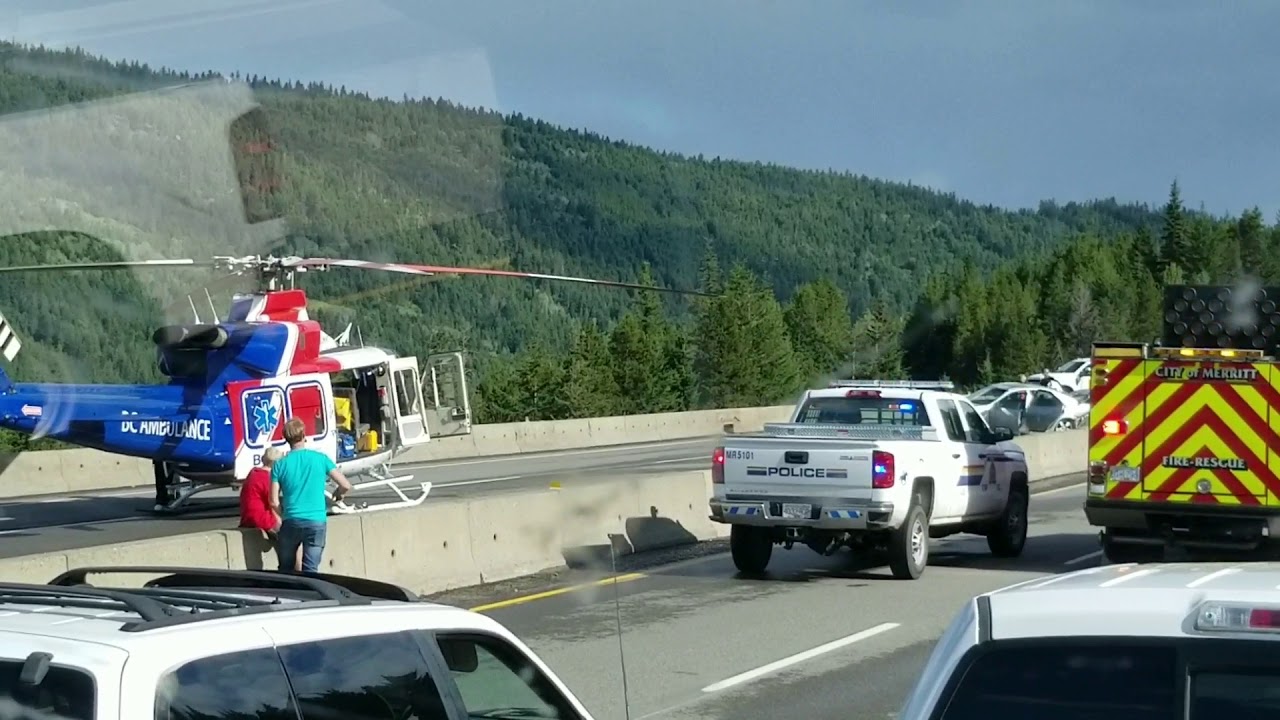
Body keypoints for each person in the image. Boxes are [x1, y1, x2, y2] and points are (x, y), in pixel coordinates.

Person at [269, 417, 353, 573]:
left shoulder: (279, 465)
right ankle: (310, 596)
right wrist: (338, 494)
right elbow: (345, 485)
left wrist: (286, 514)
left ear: (286, 439)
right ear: (304, 435)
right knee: (310, 569)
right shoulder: (320, 459)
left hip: (291, 520)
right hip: (316, 521)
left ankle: (285, 595)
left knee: (285, 569)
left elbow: (273, 501)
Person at [238, 447, 301, 571]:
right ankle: (296, 571)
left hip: (248, 516)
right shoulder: (267, 478)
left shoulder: (254, 473)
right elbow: (272, 503)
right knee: (293, 537)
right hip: (261, 518)